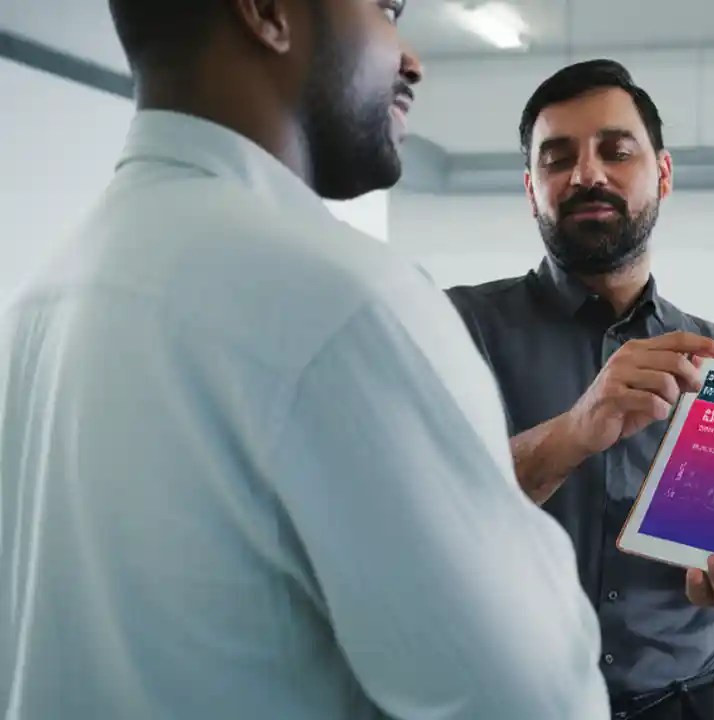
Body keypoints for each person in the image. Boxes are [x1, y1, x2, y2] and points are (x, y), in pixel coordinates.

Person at [0, 1, 609, 718]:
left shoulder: (45, 300)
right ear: (266, 12)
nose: (412, 60)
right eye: (384, 9)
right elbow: (536, 705)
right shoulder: (347, 303)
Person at [447, 59, 714, 720]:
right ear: (531, 187)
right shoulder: (451, 329)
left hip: (692, 704)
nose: (586, 174)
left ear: (663, 173)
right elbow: (419, 515)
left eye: (617, 151)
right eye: (556, 158)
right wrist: (573, 431)